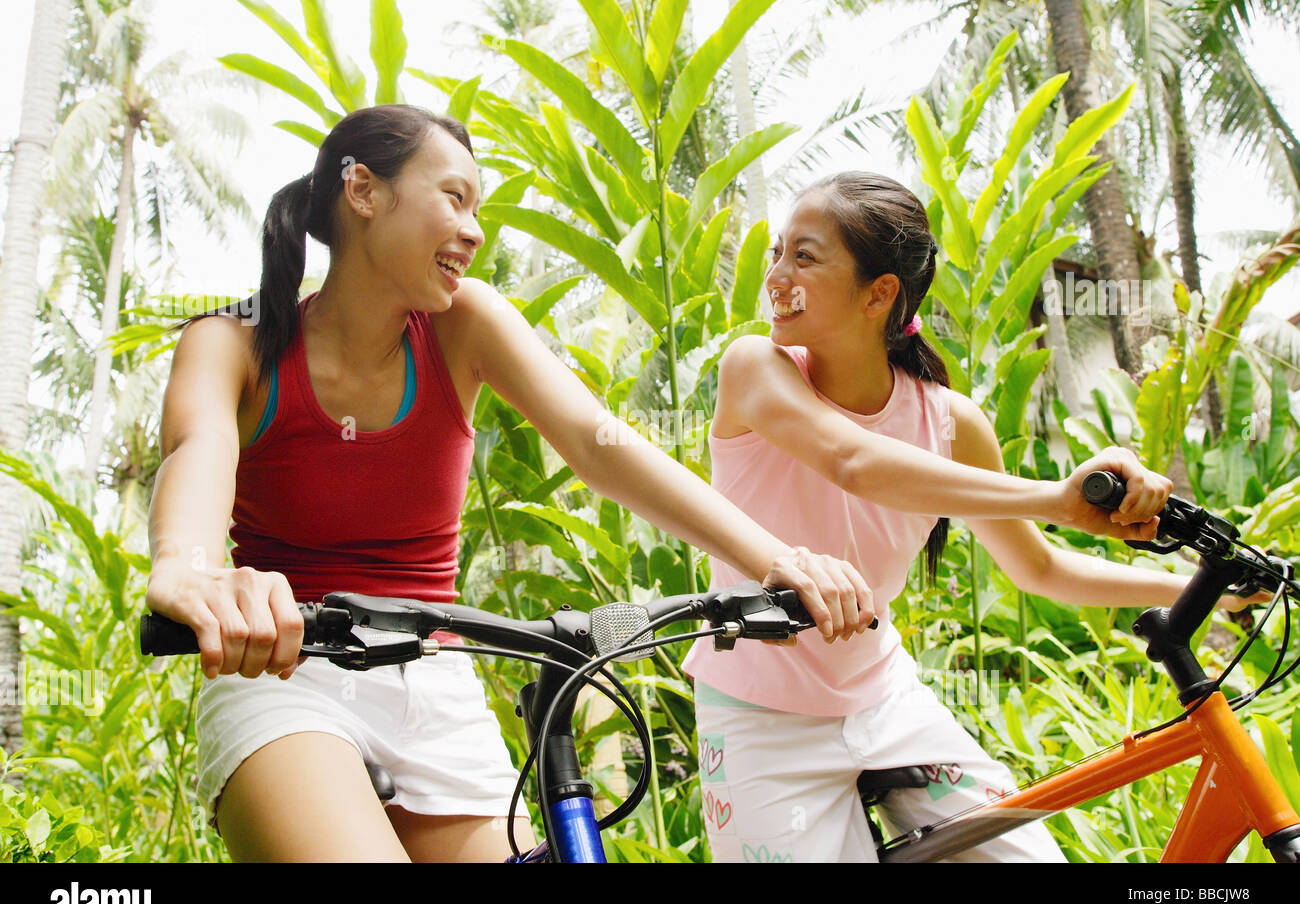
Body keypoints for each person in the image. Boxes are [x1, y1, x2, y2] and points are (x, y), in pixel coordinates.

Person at [144, 105, 886, 863]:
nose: (475, 230)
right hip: (289, 672)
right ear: (363, 190)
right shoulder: (230, 344)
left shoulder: (464, 322)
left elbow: (600, 446)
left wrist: (775, 559)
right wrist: (190, 570)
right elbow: (196, 455)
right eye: (454, 198)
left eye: (480, 210)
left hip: (433, 682)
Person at [681, 171, 1262, 863]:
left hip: (883, 698)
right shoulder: (754, 367)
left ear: (880, 292)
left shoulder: (949, 423)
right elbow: (852, 461)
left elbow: (1037, 566)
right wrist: (1054, 498)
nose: (776, 275)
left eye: (803, 257)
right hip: (758, 719)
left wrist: (1197, 589)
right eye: (779, 252)